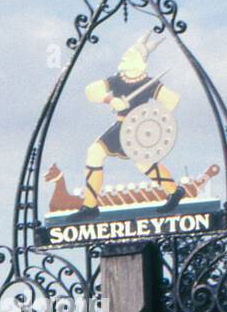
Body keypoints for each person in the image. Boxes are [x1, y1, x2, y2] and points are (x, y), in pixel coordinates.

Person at [76, 29, 184, 220]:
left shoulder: (149, 83)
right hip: (120, 126)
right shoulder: (117, 80)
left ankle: (174, 192)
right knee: (96, 152)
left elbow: (172, 100)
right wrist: (109, 100)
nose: (125, 58)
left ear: (140, 60)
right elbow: (90, 91)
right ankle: (90, 205)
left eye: (130, 55)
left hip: (135, 128)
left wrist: (150, 118)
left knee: (143, 163)